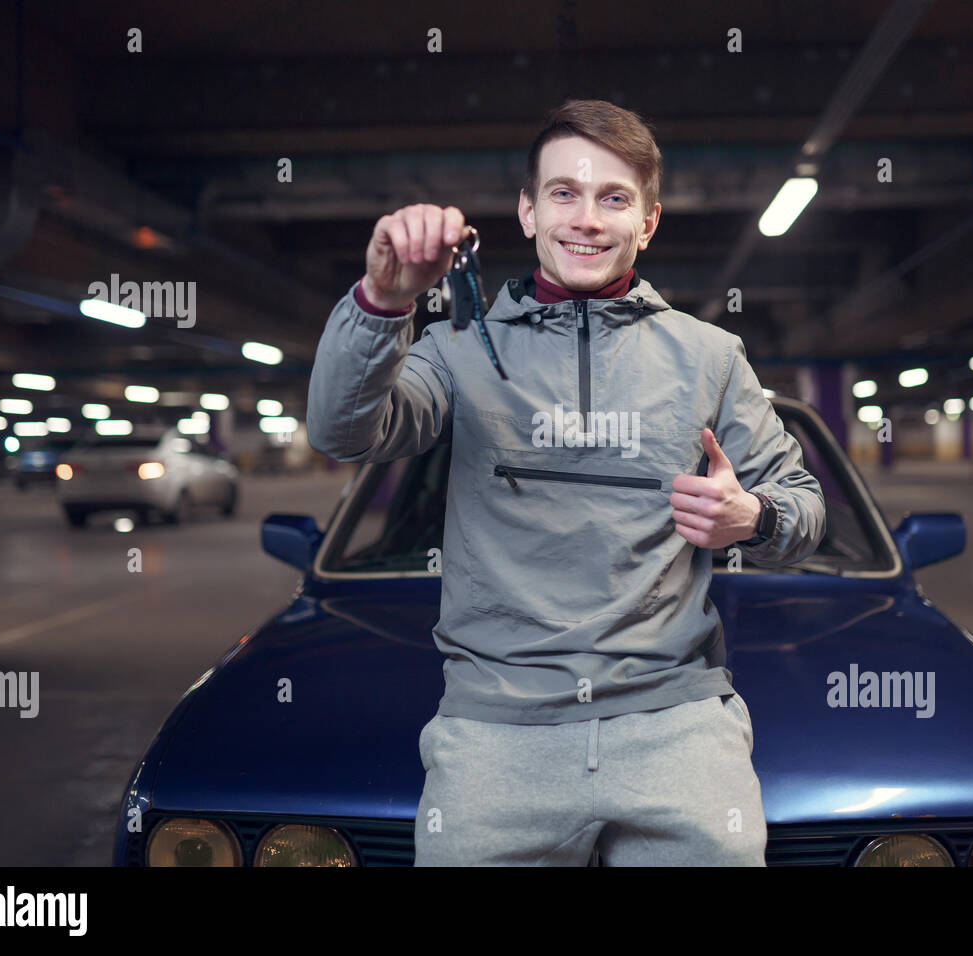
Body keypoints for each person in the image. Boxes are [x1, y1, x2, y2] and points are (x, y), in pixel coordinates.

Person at [306, 99, 826, 865]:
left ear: (647, 222)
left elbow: (804, 505)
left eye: (614, 198)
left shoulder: (711, 356)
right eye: (564, 194)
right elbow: (343, 431)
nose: (587, 219)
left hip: (678, 730)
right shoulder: (456, 353)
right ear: (527, 210)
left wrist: (752, 515)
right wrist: (385, 304)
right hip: (494, 737)